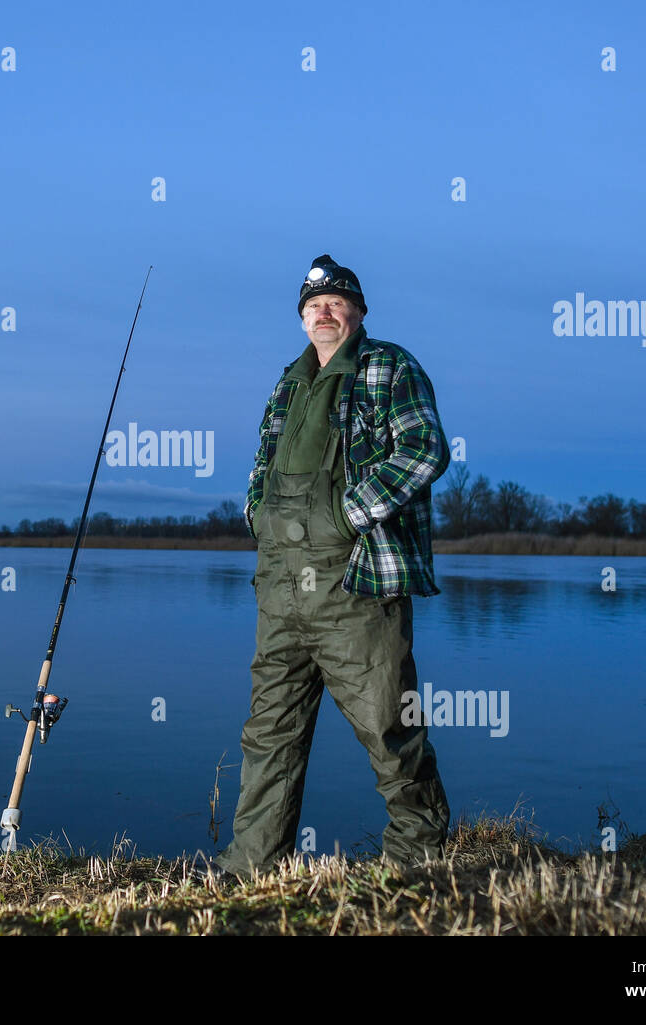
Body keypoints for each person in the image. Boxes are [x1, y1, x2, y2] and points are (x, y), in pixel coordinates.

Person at [213, 253, 452, 877]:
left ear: (358, 310)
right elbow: (261, 470)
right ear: (301, 317)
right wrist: (257, 517)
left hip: (355, 586)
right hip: (280, 589)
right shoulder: (287, 383)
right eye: (312, 305)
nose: (323, 312)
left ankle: (416, 866)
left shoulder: (388, 366)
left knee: (388, 729)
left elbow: (426, 451)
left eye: (335, 302)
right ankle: (250, 869)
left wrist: (348, 516)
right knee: (269, 733)